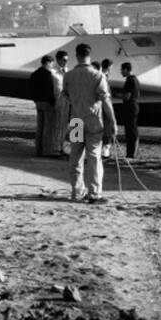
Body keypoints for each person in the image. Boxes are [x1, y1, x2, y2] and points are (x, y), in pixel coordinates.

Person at [62, 42, 117, 203]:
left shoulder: (68, 75)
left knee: (75, 156)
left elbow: (65, 95)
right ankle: (94, 193)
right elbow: (105, 100)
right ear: (89, 55)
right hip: (93, 120)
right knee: (94, 156)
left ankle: (76, 191)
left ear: (76, 55)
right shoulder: (97, 75)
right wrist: (112, 121)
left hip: (76, 120)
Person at [28, 55, 56, 157]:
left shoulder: (35, 74)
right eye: (52, 63)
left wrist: (35, 100)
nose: (52, 65)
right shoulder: (48, 74)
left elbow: (31, 89)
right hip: (47, 103)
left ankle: (38, 150)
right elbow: (50, 90)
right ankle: (46, 151)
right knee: (48, 128)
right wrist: (53, 102)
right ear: (48, 63)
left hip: (38, 102)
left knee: (40, 127)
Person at [50, 50, 71, 156]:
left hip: (66, 101)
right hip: (57, 100)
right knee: (56, 124)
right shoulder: (52, 72)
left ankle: (61, 146)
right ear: (58, 60)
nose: (66, 62)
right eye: (64, 60)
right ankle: (55, 147)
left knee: (63, 125)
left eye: (67, 60)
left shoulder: (67, 71)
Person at [119, 61, 141, 159]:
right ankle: (133, 152)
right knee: (133, 130)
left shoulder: (129, 80)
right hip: (134, 105)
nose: (121, 72)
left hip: (129, 107)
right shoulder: (135, 79)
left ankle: (131, 153)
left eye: (122, 70)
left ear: (126, 70)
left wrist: (116, 95)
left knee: (130, 131)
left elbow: (127, 96)